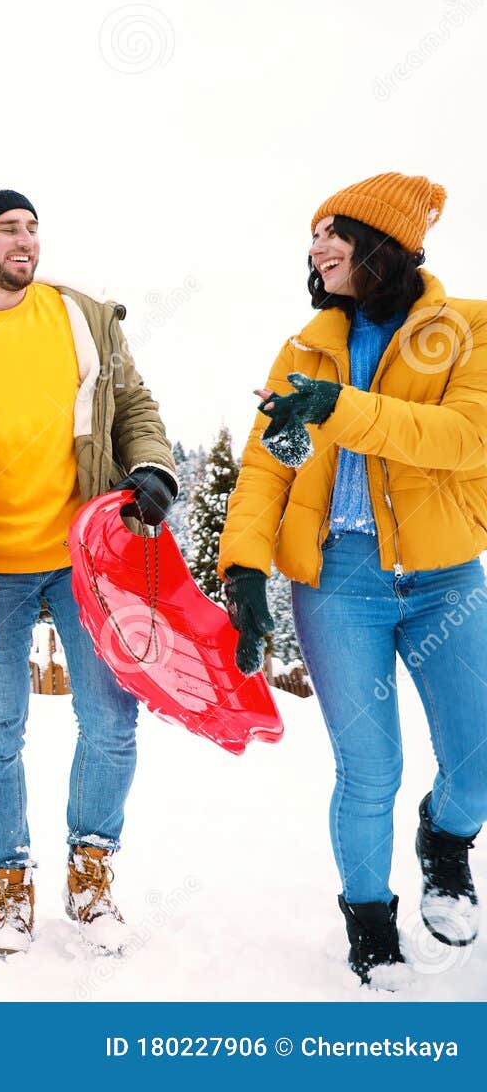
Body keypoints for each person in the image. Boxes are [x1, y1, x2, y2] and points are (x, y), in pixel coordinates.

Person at [0, 176, 178, 957]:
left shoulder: (82, 316)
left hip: (90, 561)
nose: (26, 240)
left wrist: (151, 465)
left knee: (112, 721)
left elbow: (135, 408)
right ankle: (10, 886)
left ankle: (90, 876)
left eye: (32, 226)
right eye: (8, 228)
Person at [219, 173, 486, 989]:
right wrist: (243, 567)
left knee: (477, 759)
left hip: (446, 577)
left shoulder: (467, 329)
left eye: (334, 231)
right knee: (370, 769)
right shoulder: (303, 350)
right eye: (313, 235)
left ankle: (445, 838)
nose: (317, 247)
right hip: (339, 583)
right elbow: (268, 467)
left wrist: (338, 407)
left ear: (383, 242)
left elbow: (463, 437)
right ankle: (371, 924)